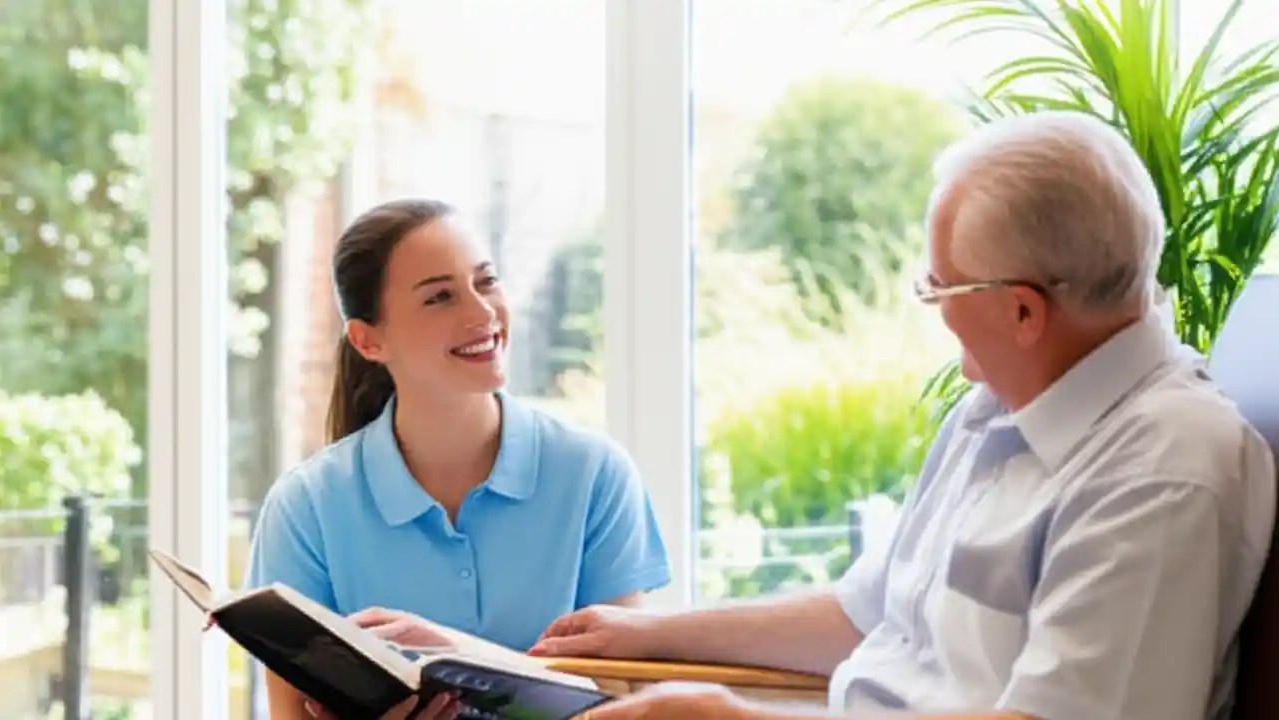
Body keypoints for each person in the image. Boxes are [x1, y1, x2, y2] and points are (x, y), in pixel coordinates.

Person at [527, 111, 1277, 720]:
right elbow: (870, 616)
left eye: (940, 290)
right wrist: (655, 637)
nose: (935, 312)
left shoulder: (1164, 470)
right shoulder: (998, 411)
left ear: (1022, 310)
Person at [243, 199, 671, 719]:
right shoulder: (305, 506)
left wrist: (459, 654)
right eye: (441, 297)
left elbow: (632, 701)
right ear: (368, 339)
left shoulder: (594, 475)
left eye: (486, 282)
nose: (483, 312)